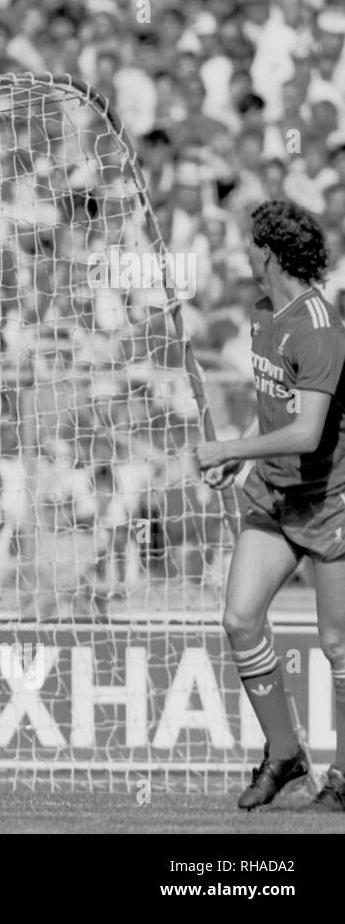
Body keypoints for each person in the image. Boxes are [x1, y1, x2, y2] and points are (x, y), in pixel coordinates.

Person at [197, 200, 345, 812]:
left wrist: (231, 445)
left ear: (271, 252)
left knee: (338, 648)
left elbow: (308, 433)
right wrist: (245, 459)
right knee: (239, 620)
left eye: (250, 242)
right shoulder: (264, 314)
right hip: (273, 494)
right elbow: (276, 416)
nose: (243, 251)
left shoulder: (318, 327)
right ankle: (284, 756)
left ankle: (341, 780)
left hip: (330, 505)